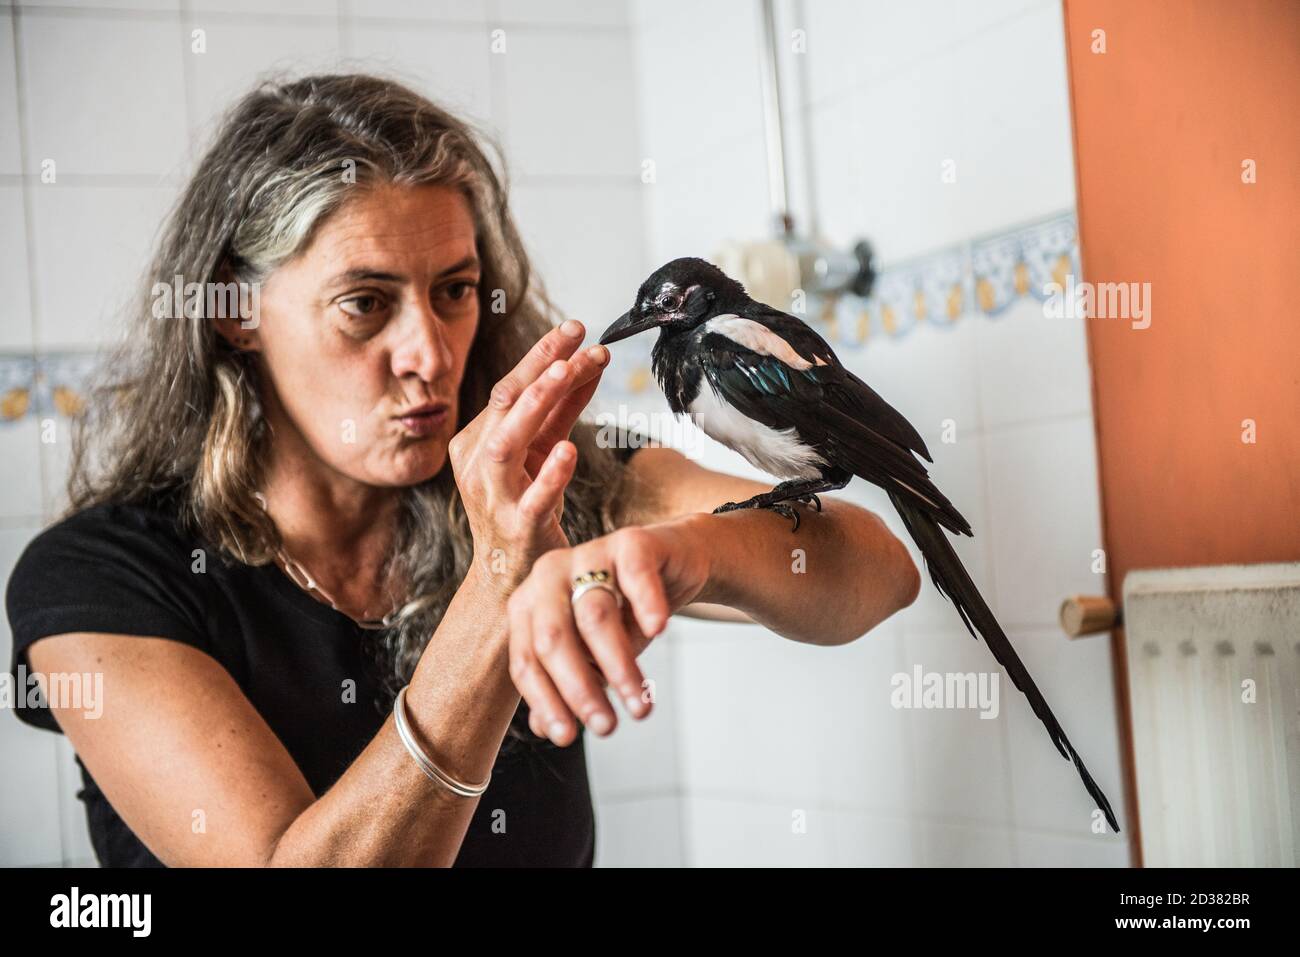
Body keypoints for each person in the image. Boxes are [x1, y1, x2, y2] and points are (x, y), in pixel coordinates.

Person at [4, 75, 920, 867]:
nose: (432, 355)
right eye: (364, 304)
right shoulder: (97, 582)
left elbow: (879, 571)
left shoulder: (556, 474)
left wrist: (693, 554)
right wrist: (499, 580)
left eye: (454, 292)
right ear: (235, 314)